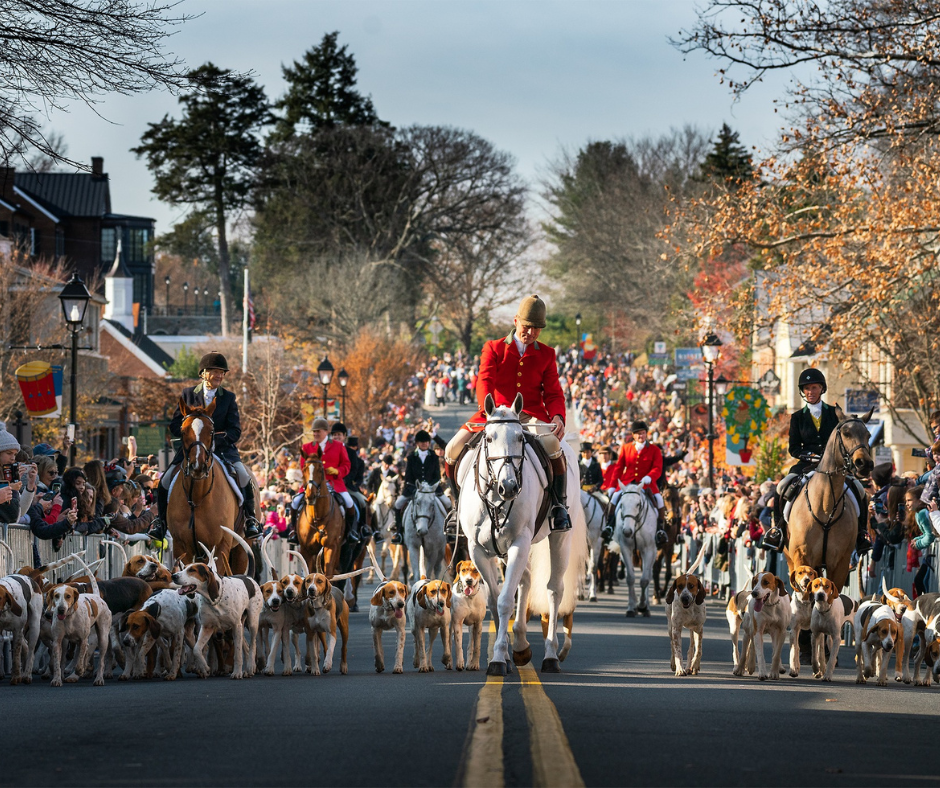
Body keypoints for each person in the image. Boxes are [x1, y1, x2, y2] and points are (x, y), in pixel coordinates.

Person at [443, 294, 571, 531]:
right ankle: (456, 507)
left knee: (553, 444)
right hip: (495, 413)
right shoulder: (493, 347)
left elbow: (553, 393)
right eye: (526, 326)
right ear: (515, 321)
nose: (530, 332)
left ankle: (558, 506)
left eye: (536, 329)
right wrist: (488, 408)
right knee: (451, 448)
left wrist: (557, 416)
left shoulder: (547, 354)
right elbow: (484, 381)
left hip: (529, 413)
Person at [149, 351, 262, 541]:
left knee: (243, 475)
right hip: (192, 450)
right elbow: (175, 425)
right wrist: (190, 434)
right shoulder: (188, 394)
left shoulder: (228, 397)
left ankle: (250, 519)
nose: (219, 376)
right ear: (203, 373)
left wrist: (215, 441)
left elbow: (235, 430)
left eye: (222, 372)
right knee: (165, 480)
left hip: (222, 450)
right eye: (214, 371)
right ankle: (160, 522)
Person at [760, 367, 872, 555]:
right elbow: (794, 447)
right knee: (781, 488)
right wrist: (809, 456)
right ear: (803, 392)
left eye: (814, 388)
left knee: (859, 491)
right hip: (807, 464)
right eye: (807, 389)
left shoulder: (834, 413)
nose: (810, 392)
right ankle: (778, 530)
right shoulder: (797, 417)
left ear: (822, 389)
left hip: (833, 465)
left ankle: (861, 534)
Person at [289, 418, 361, 543]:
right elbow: (303, 467)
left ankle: (350, 532)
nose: (316, 434)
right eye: (314, 432)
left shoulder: (338, 446)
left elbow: (347, 465)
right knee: (295, 502)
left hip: (334, 483)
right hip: (312, 484)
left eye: (318, 431)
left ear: (326, 432)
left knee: (349, 503)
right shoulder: (306, 447)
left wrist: (338, 471)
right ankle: (294, 532)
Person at [604, 421, 668, 546]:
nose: (641, 436)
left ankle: (660, 529)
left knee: (659, 500)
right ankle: (609, 527)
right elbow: (618, 467)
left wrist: (650, 476)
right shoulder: (626, 448)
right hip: (628, 482)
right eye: (638, 434)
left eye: (643, 433)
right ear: (633, 435)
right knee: (615, 498)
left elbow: (658, 468)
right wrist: (612, 486)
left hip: (646, 484)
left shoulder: (654, 450)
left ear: (646, 434)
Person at [391, 429, 449, 545]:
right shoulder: (411, 456)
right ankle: (399, 532)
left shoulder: (433, 456)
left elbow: (436, 476)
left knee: (448, 503)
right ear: (417, 443)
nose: (425, 444)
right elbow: (408, 477)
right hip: (414, 488)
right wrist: (415, 488)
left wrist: (429, 486)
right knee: (397, 504)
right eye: (422, 442)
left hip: (432, 489)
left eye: (427, 442)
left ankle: (449, 530)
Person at [330, 423, 376, 543]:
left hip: (346, 486)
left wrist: (344, 480)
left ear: (344, 436)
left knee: (362, 502)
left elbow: (353, 469)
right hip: (329, 485)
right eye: (334, 435)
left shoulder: (350, 452)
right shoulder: (327, 450)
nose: (337, 437)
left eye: (339, 435)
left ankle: (359, 529)